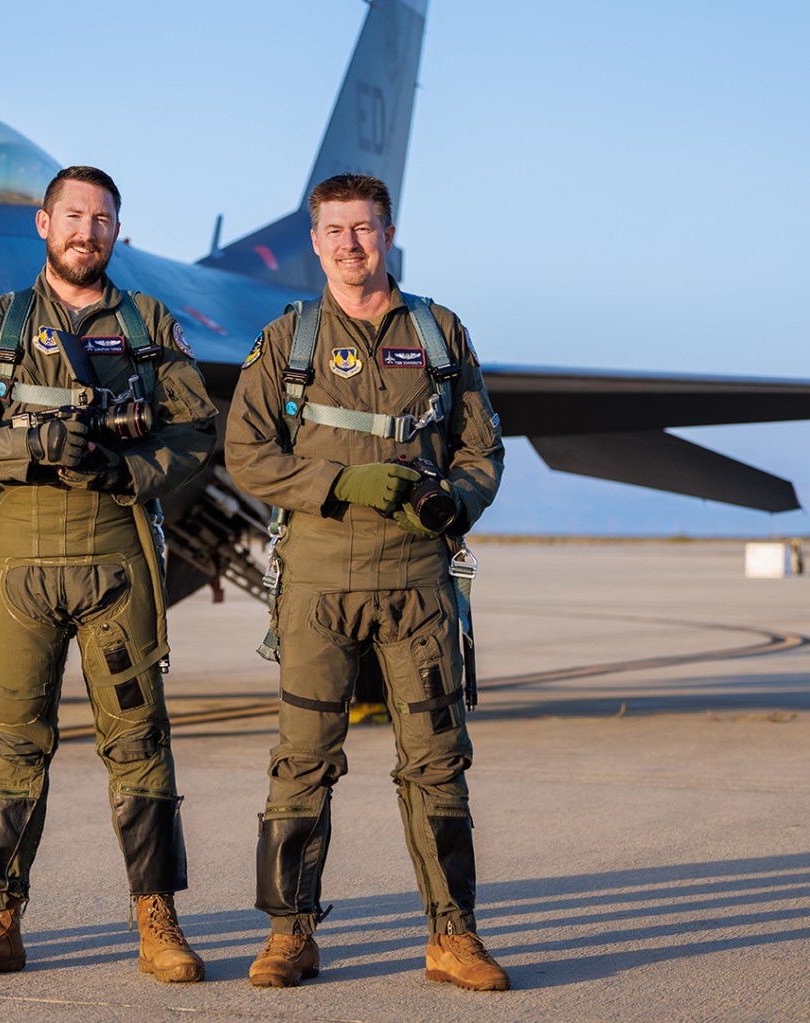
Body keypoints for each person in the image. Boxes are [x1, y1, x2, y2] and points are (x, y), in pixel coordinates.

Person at [0, 166, 218, 983]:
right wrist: (32, 447)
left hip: (116, 550)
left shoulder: (151, 324)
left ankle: (157, 917)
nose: (87, 231)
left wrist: (132, 471)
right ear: (43, 223)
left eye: (102, 219)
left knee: (138, 739)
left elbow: (197, 428)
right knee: (12, 742)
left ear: (116, 233)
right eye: (74, 216)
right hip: (19, 559)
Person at [225, 173, 509, 991]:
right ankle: (289, 935)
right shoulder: (290, 341)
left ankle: (453, 936)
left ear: (388, 233)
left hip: (417, 581)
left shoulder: (439, 332)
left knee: (437, 761)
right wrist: (336, 486)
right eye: (336, 231)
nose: (351, 245)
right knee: (303, 760)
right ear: (315, 242)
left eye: (365, 229)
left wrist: (455, 500)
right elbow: (247, 451)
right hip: (318, 580)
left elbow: (481, 449)